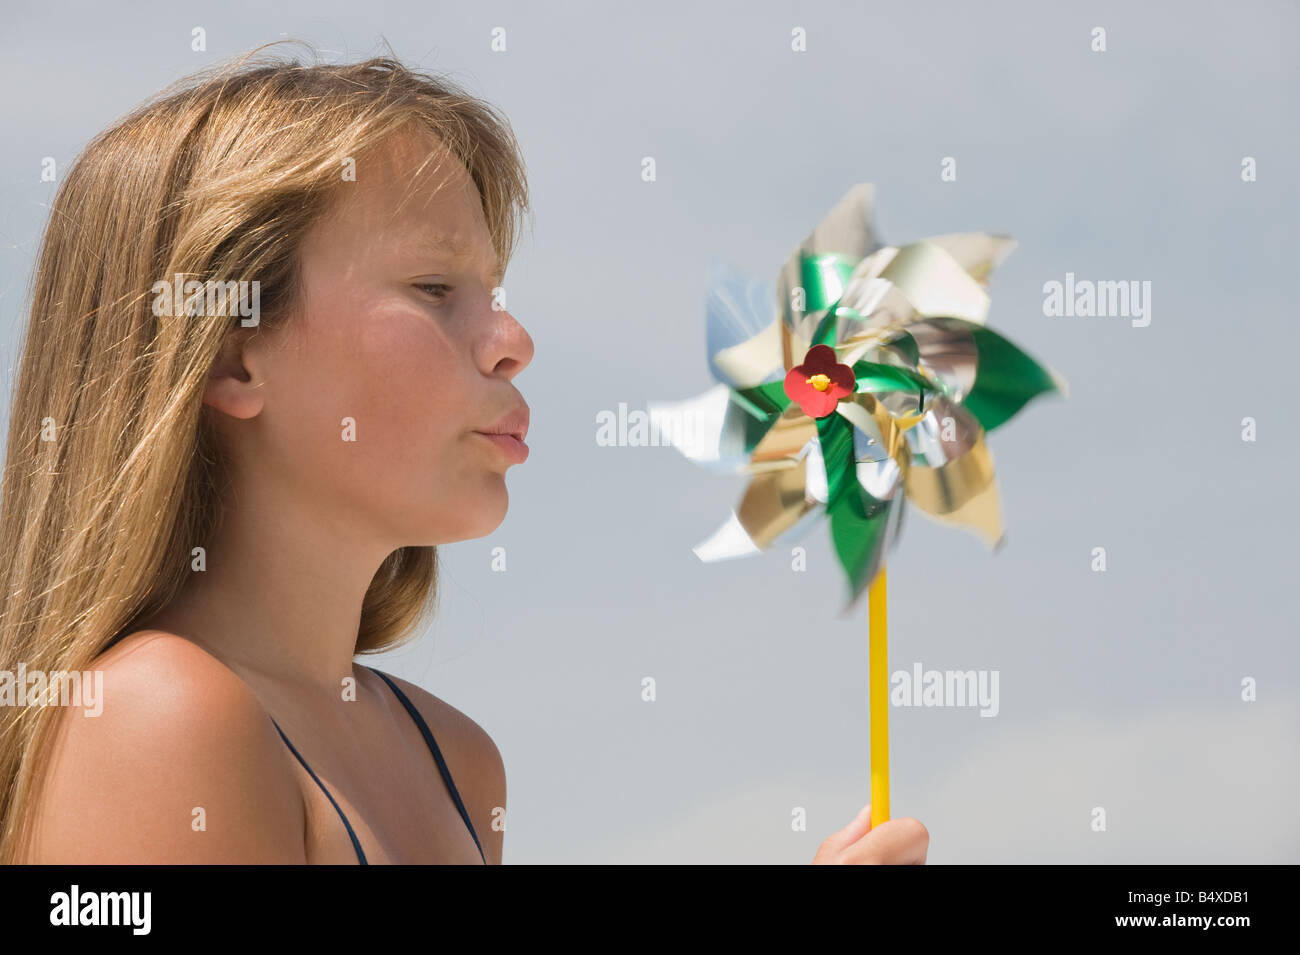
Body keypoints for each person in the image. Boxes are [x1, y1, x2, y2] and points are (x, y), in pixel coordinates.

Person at [0, 41, 927, 865]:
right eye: (434, 285)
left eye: (495, 288)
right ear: (235, 347)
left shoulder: (456, 760)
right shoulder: (154, 720)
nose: (512, 338)